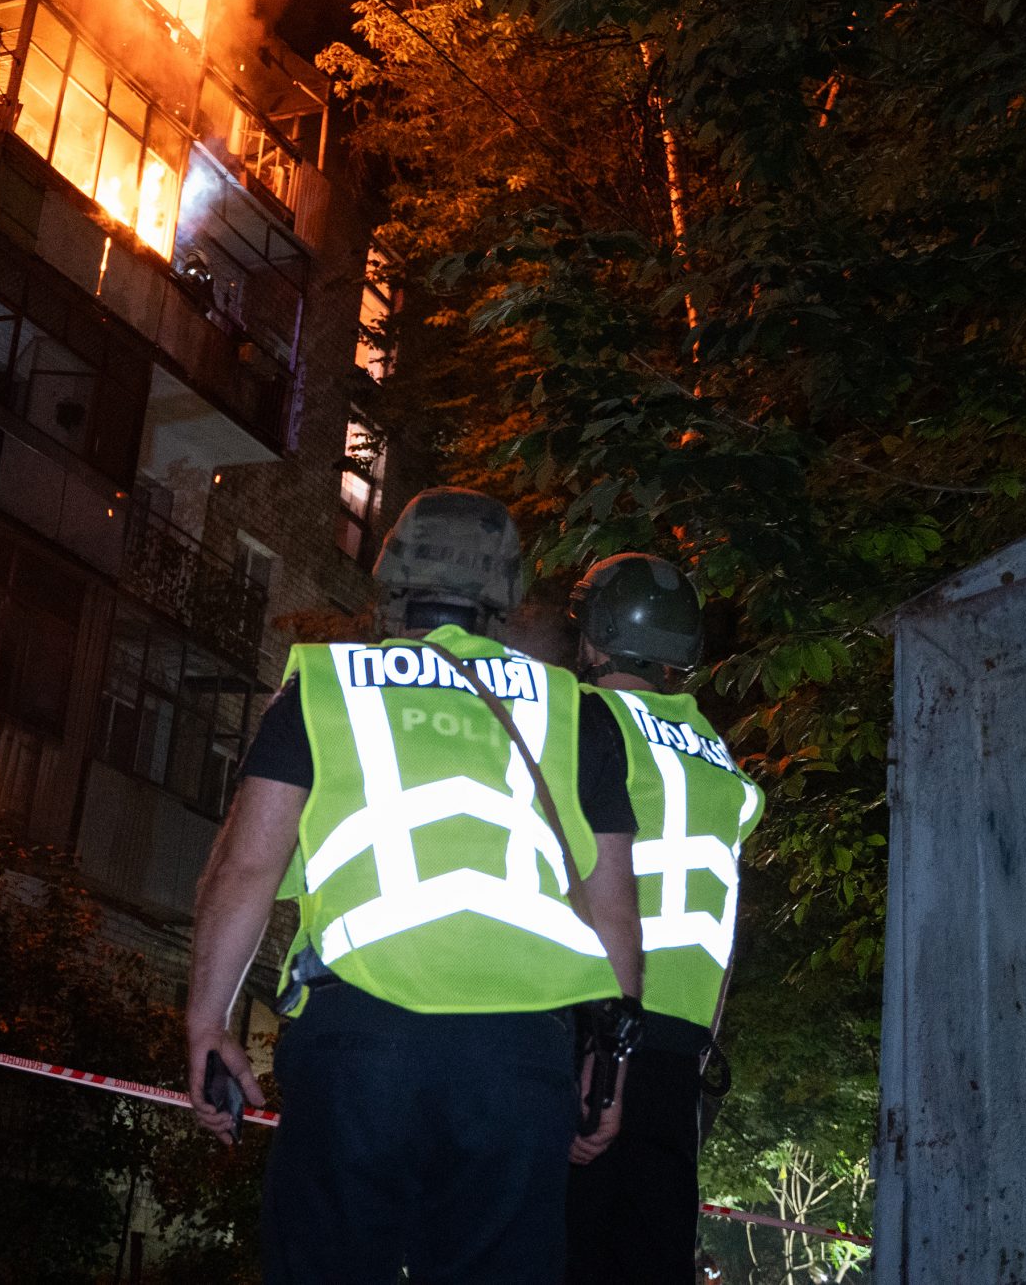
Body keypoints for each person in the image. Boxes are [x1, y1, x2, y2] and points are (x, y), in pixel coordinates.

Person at [183, 488, 647, 1285]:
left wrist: (206, 1021)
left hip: (358, 1048)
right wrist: (610, 1068)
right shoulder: (577, 714)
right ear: (506, 591)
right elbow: (614, 910)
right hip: (518, 1063)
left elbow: (245, 867)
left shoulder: (326, 686)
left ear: (388, 573)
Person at [561, 554, 763, 1285]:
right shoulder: (720, 758)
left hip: (593, 1032)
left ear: (596, 631)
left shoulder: (576, 723)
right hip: (682, 1054)